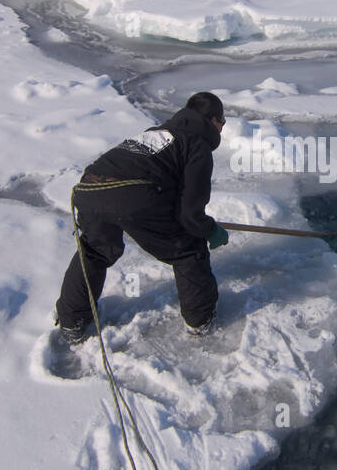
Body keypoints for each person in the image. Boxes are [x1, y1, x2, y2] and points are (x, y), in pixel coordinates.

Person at [53, 92, 231, 349]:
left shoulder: (157, 133)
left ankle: (72, 323)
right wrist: (209, 230)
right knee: (187, 249)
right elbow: (190, 215)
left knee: (93, 250)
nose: (222, 128)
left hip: (89, 187)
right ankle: (199, 320)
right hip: (131, 194)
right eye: (222, 122)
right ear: (212, 120)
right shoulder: (197, 144)